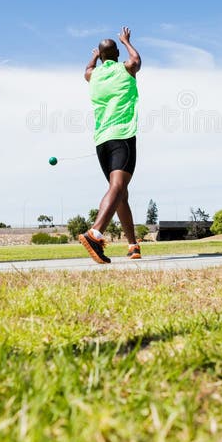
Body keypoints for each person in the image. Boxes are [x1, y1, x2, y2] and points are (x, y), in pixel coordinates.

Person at [78, 26, 141, 264]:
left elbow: (87, 68)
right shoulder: (126, 68)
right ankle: (95, 233)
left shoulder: (92, 76)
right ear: (116, 54)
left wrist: (95, 55)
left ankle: (133, 245)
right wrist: (125, 41)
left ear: (101, 57)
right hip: (122, 135)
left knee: (120, 193)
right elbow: (135, 59)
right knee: (117, 187)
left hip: (101, 142)